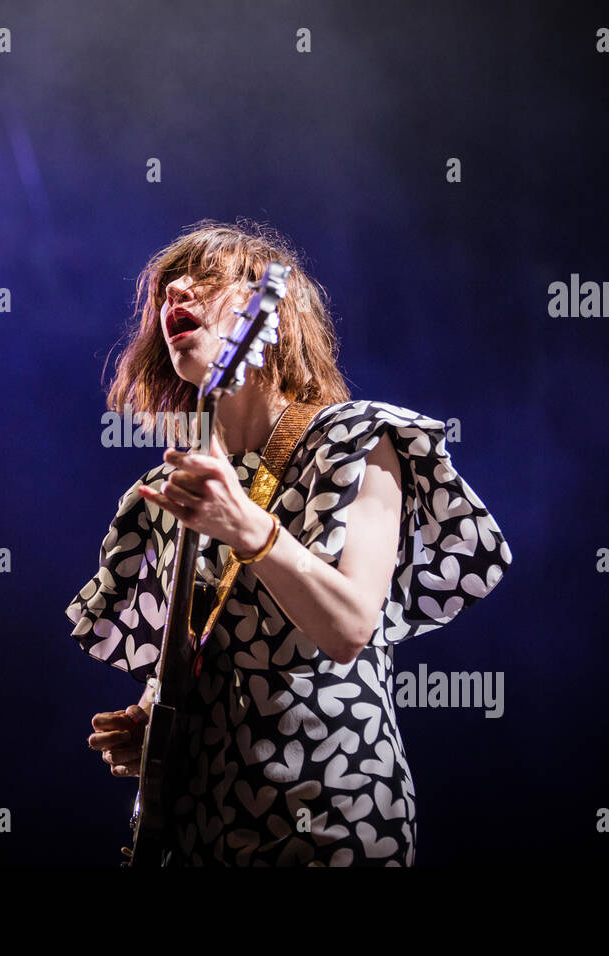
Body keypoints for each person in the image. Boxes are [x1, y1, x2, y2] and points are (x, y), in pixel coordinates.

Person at [66, 218, 512, 865]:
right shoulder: (168, 491)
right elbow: (197, 653)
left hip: (327, 816)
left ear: (269, 315)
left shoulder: (354, 443)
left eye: (205, 277)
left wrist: (247, 527)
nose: (176, 293)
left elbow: (351, 626)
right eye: (166, 288)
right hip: (199, 835)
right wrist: (154, 721)